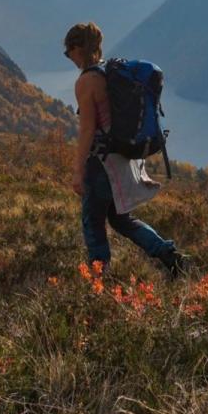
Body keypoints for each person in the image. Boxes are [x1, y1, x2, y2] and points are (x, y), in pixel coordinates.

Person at [64, 22, 186, 276]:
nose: (69, 58)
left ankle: (99, 277)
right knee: (120, 218)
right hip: (122, 157)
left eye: (69, 52)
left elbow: (87, 130)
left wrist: (78, 171)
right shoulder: (110, 72)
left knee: (92, 221)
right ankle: (168, 254)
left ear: (78, 48)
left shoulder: (87, 81)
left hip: (100, 162)